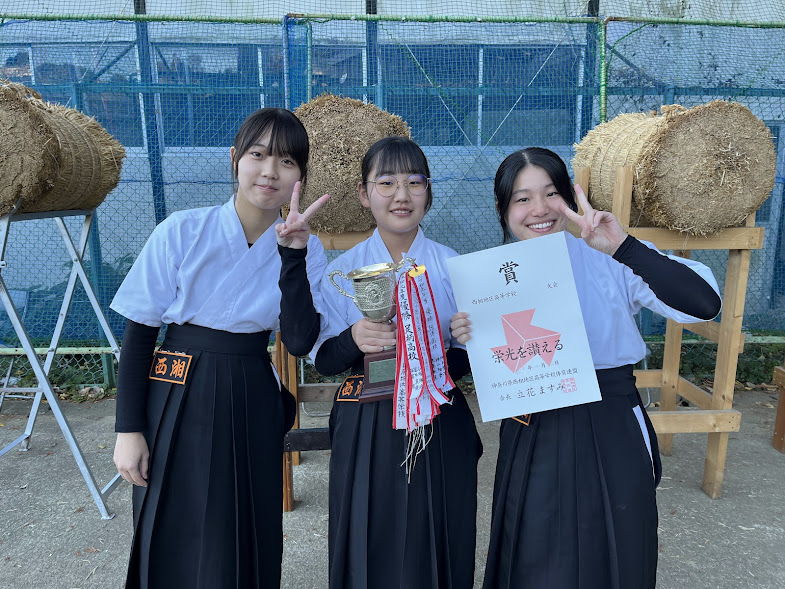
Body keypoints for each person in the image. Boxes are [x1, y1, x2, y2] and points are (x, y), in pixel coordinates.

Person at [450, 148, 722, 589]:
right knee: (532, 549)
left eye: (551, 194)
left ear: (571, 201)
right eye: (522, 198)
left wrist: (623, 247)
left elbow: (705, 304)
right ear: (502, 210)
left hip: (608, 417)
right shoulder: (493, 281)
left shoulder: (609, 255)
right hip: (533, 423)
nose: (539, 210)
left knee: (619, 544)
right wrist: (472, 337)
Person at [111, 107, 329, 589]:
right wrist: (129, 429)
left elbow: (297, 339)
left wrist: (293, 257)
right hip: (176, 384)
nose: (270, 171)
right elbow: (139, 334)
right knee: (171, 519)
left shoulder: (307, 247)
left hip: (250, 386)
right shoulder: (182, 230)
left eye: (287, 161)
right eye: (258, 154)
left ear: (301, 176)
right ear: (235, 159)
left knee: (246, 519)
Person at [313, 136, 483, 589]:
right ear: (364, 195)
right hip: (365, 419)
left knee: (441, 530)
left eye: (414, 181)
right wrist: (354, 338)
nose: (401, 194)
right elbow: (325, 360)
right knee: (368, 534)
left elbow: (471, 360)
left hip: (438, 417)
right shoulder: (341, 271)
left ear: (428, 192)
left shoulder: (455, 268)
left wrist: (465, 345)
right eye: (386, 182)